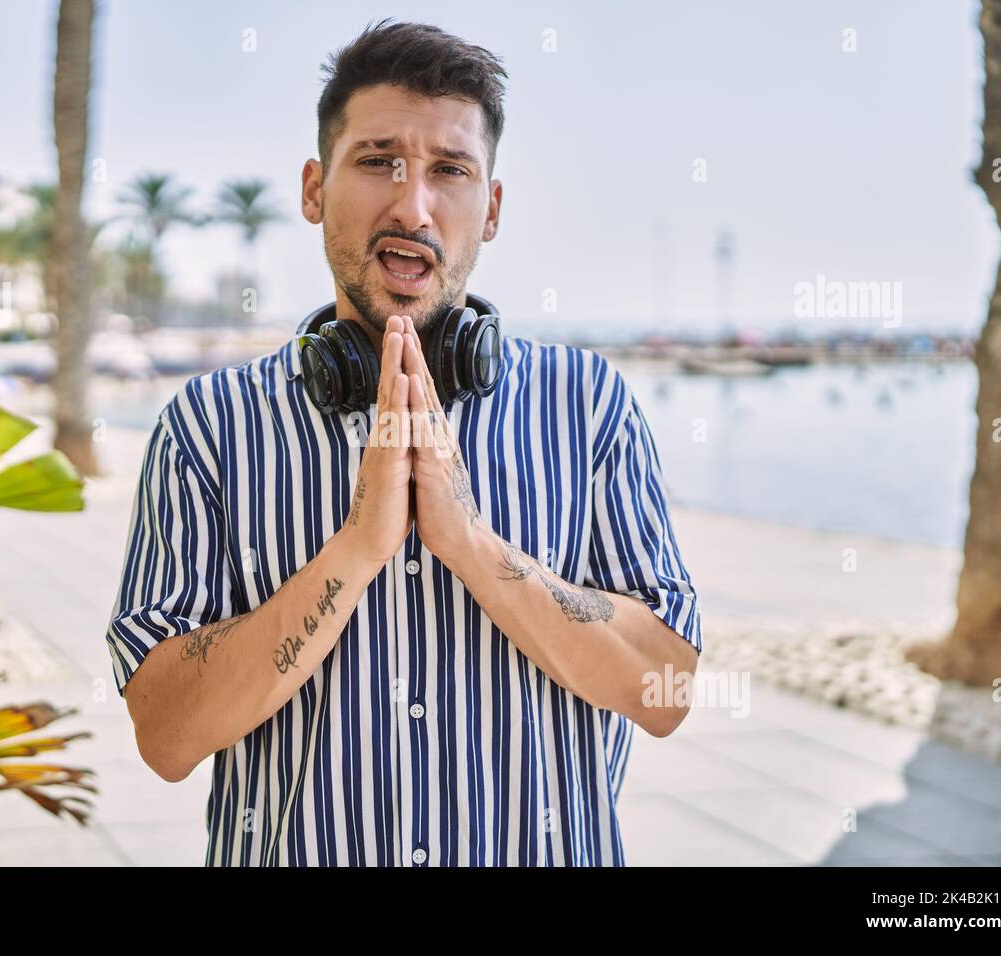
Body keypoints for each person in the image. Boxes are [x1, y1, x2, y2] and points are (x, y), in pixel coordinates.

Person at [105, 19, 702, 866]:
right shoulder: (207, 429)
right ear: (315, 188)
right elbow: (165, 736)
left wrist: (470, 545)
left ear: (490, 209)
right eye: (377, 159)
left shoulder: (589, 406)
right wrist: (356, 550)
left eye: (450, 171)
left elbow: (665, 690)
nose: (412, 206)